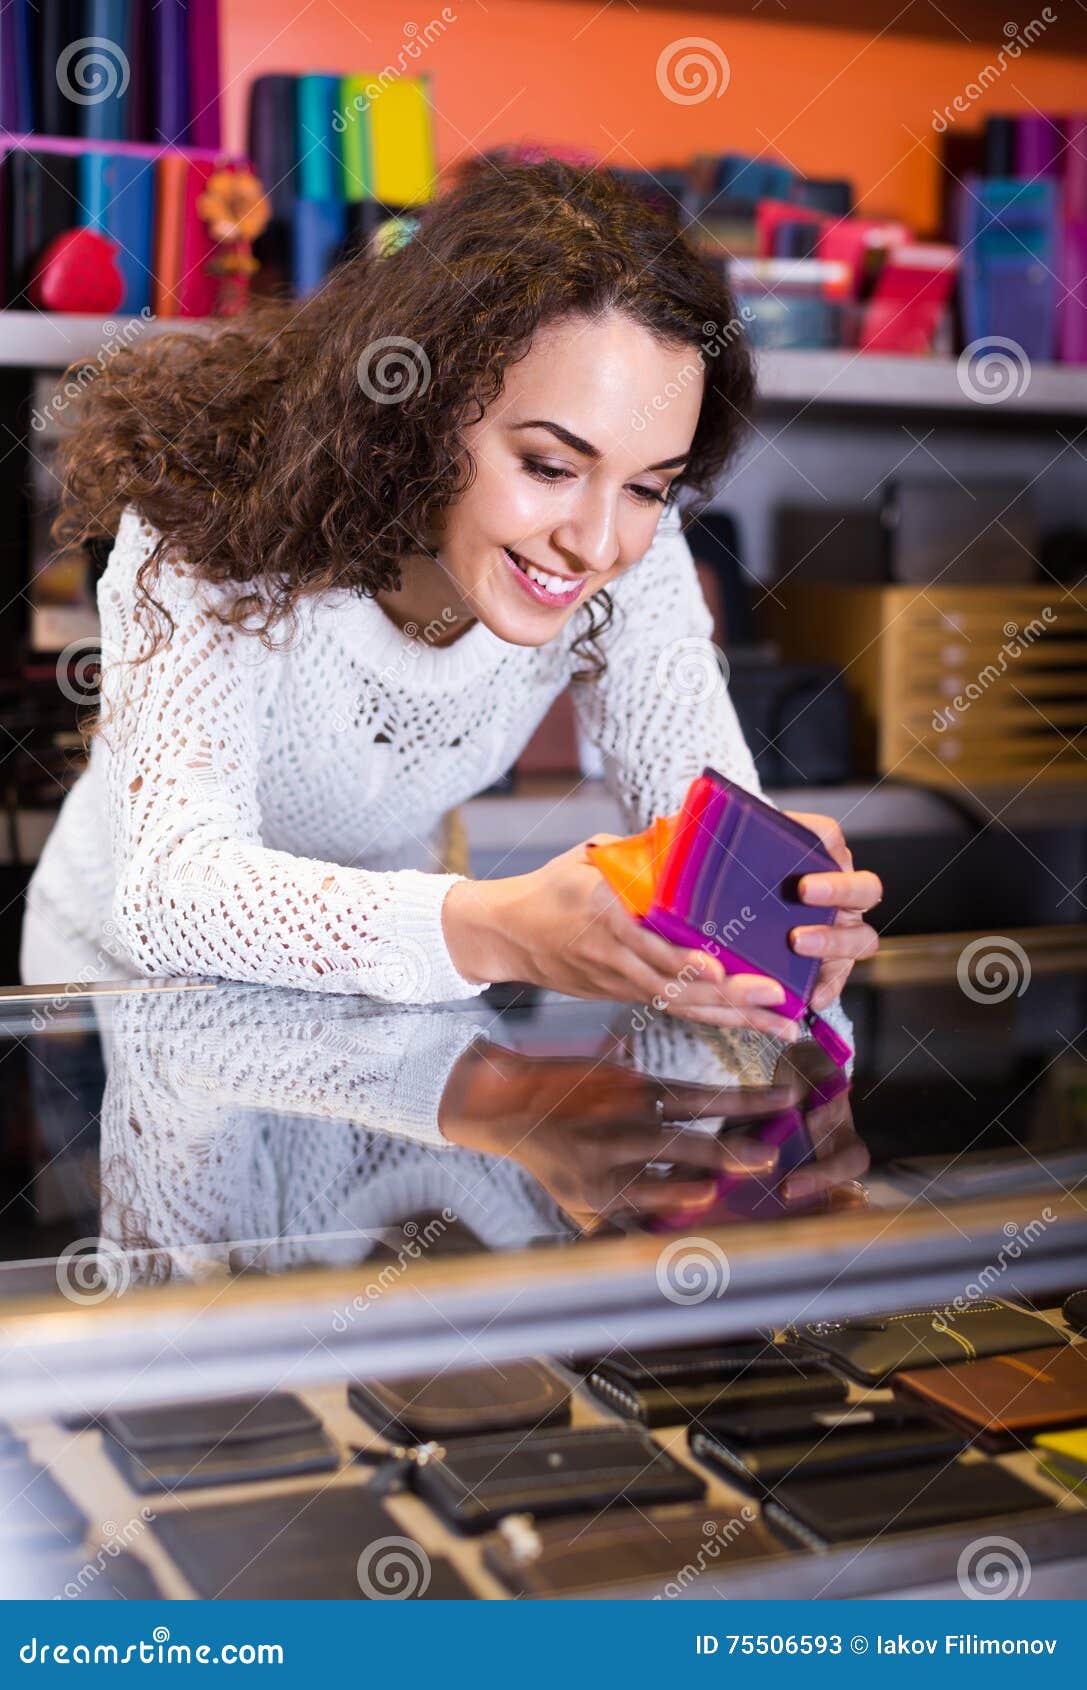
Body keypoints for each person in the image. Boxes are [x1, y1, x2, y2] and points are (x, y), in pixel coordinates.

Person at [21, 157, 881, 1034]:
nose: (595, 542)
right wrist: (499, 929)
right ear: (424, 413)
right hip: (110, 1007)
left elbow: (694, 811)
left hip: (374, 1004)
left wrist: (775, 903)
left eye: (648, 486)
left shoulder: (633, 548)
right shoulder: (200, 520)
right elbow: (171, 893)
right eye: (549, 466)